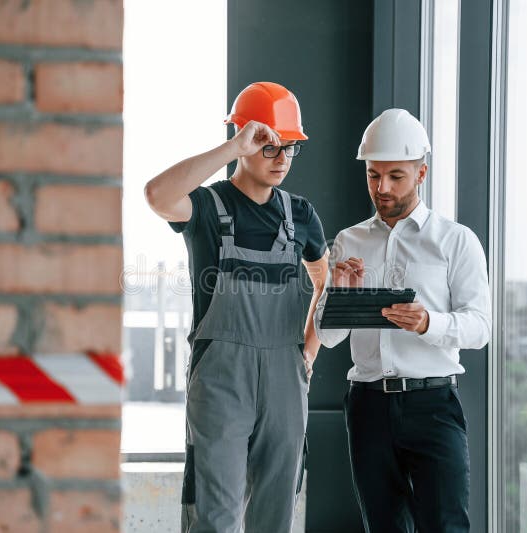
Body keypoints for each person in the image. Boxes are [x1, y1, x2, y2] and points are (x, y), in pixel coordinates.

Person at [144, 81, 329, 533]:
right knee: (214, 514)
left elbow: (326, 284)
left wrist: (307, 352)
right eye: (269, 146)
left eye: (290, 148)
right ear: (246, 138)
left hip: (285, 378)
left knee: (277, 510)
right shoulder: (207, 207)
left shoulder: (299, 215)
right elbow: (156, 195)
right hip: (222, 379)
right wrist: (232, 147)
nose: (281, 158)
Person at [314, 109, 491, 532]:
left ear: (421, 173)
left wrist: (429, 323)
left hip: (432, 405)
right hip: (368, 405)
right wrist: (341, 294)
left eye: (396, 176)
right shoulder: (349, 241)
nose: (383, 188)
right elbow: (328, 335)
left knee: (445, 525)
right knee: (383, 526)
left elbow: (481, 327)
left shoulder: (455, 241)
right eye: (374, 176)